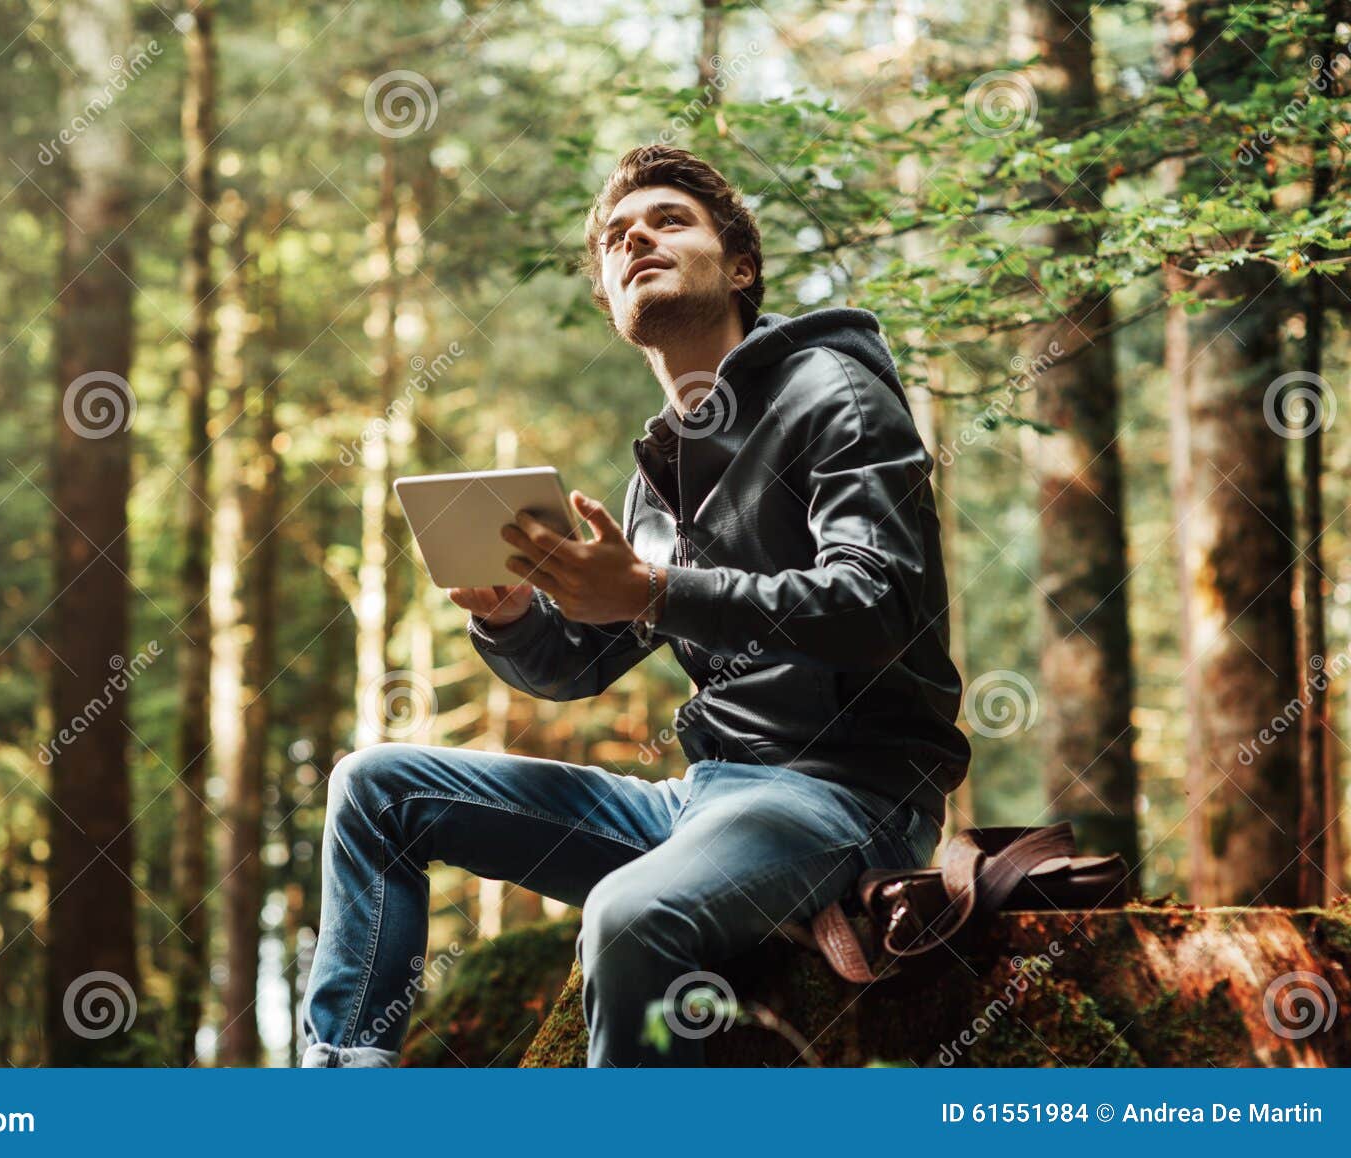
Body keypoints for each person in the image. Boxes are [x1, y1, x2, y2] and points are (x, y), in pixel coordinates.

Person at [301, 144, 970, 1067]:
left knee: (626, 914)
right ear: (613, 305)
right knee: (375, 788)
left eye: (667, 222)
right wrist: (508, 617)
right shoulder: (654, 485)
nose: (636, 241)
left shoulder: (835, 391)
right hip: (701, 801)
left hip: (850, 798)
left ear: (740, 267)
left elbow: (878, 601)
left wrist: (654, 590)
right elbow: (578, 663)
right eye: (617, 238)